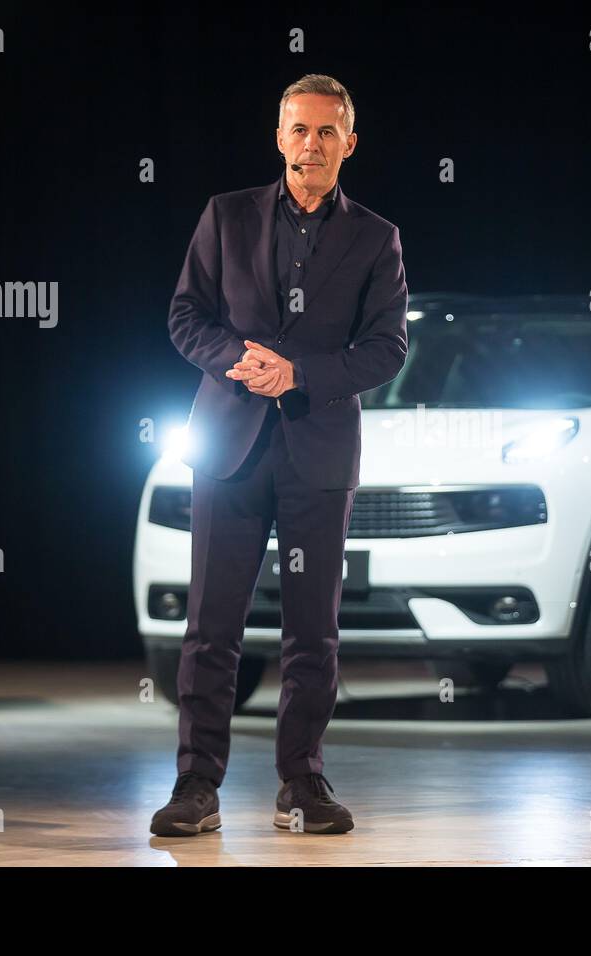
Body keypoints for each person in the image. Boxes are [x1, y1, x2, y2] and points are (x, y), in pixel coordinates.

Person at [150, 74, 408, 836]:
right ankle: (197, 783)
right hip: (229, 445)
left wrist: (301, 374)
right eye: (299, 130)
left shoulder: (376, 237)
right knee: (210, 625)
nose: (311, 146)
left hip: (318, 450)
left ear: (349, 146)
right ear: (279, 137)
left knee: (313, 631)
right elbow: (184, 316)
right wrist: (242, 360)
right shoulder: (225, 217)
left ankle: (303, 781)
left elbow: (389, 347)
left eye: (328, 133)